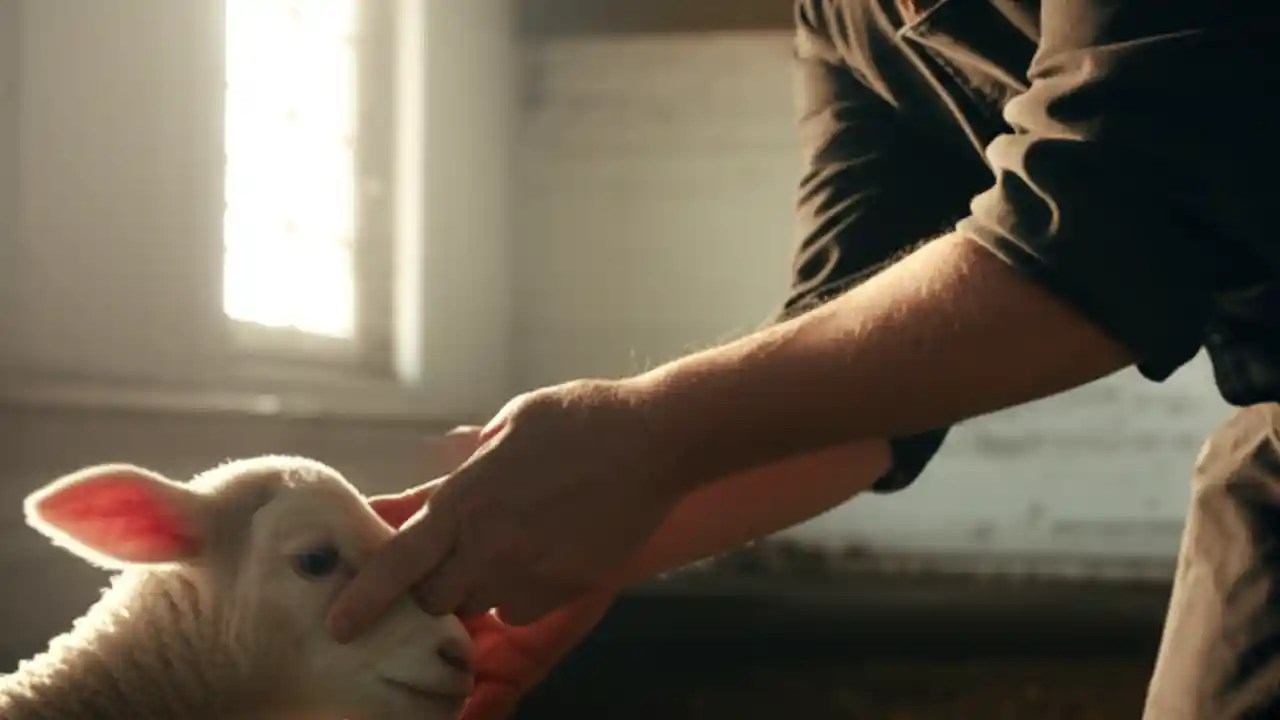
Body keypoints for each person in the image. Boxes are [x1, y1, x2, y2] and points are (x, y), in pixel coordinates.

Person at [328, 1, 1280, 718]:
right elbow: (856, 391)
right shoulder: (846, 17)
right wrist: (597, 536)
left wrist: (650, 432)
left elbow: (1110, 237)